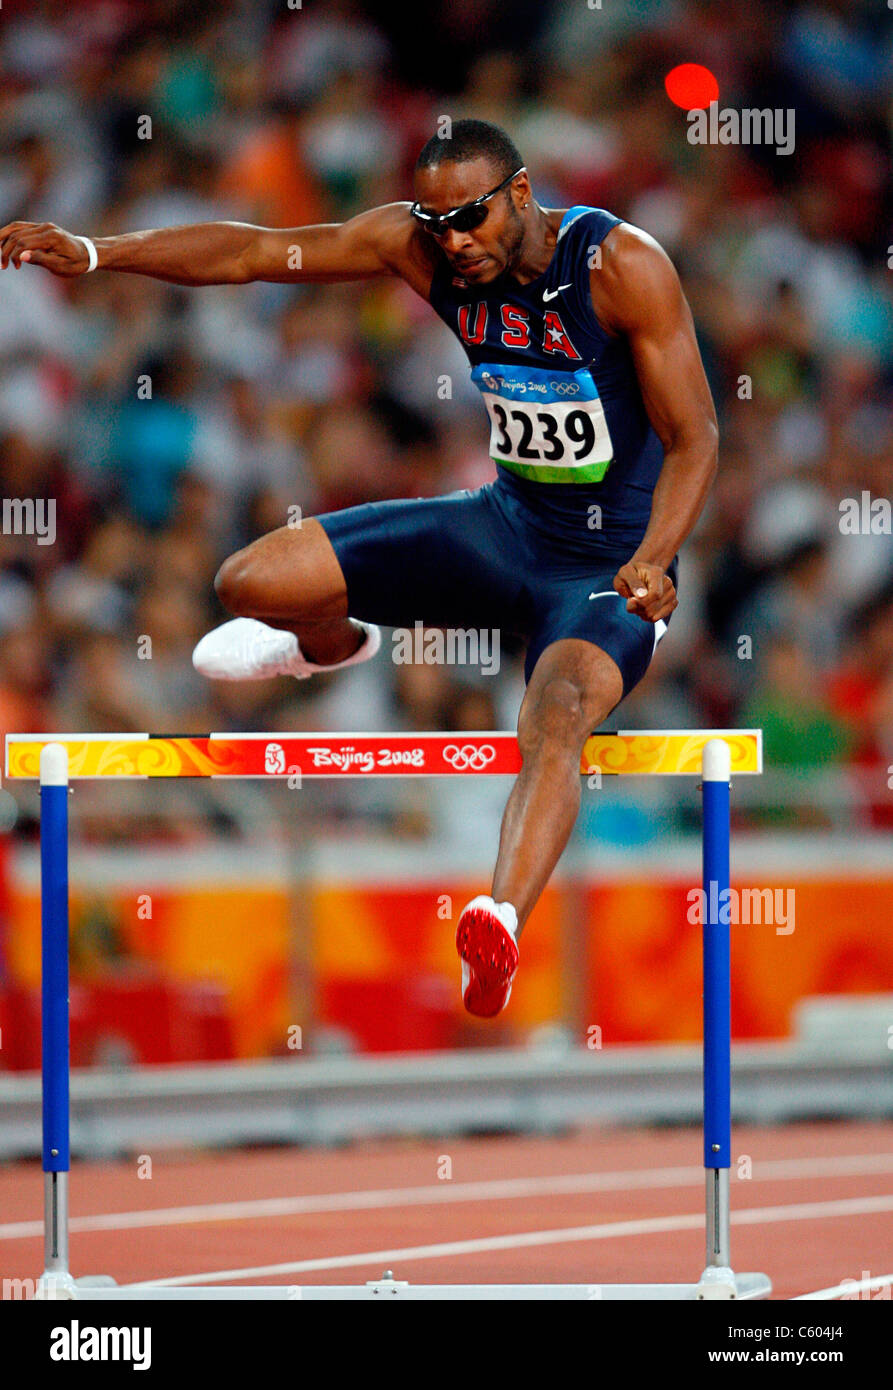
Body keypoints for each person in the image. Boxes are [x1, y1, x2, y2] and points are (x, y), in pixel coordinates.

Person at [0, 119, 718, 1019]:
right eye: (436, 219)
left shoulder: (620, 265)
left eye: (471, 217)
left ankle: (497, 922)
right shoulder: (416, 245)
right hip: (503, 527)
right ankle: (331, 644)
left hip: (605, 570)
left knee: (559, 708)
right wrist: (98, 252)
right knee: (249, 583)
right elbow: (255, 254)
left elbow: (696, 436)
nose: (453, 239)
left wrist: (652, 560)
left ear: (523, 193)